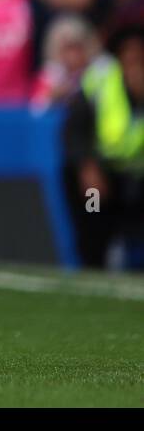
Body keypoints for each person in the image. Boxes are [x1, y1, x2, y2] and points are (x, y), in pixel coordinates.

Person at [62, 23, 144, 267]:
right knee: (93, 205)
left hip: (138, 176)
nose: (135, 65)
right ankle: (93, 264)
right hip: (102, 172)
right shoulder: (101, 81)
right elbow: (74, 129)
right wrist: (87, 165)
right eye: (128, 58)